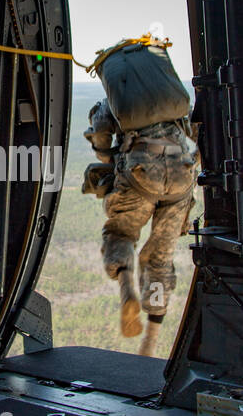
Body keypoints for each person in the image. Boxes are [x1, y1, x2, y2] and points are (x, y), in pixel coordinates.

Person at [83, 42, 197, 357]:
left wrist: (109, 159)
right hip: (181, 173)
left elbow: (102, 143)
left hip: (141, 171)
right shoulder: (171, 98)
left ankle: (126, 289)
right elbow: (195, 133)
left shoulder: (111, 104)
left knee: (120, 233)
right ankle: (150, 342)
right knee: (160, 258)